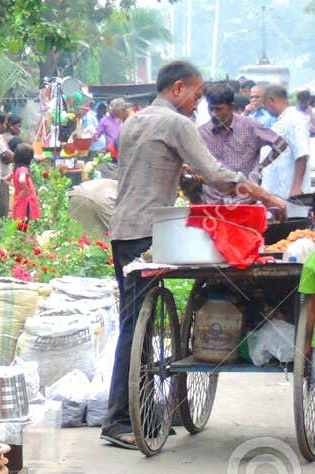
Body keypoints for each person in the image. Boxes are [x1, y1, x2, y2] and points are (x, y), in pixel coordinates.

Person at [100, 60, 285, 450]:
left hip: (124, 230)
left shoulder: (134, 121)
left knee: (136, 326)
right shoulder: (176, 123)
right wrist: (268, 197)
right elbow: (218, 174)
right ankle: (117, 421)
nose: (198, 106)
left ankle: (142, 412)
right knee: (135, 328)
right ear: (179, 88)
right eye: (197, 97)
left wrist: (187, 182)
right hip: (145, 234)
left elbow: (153, 173)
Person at [200, 82, 286, 205]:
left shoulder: (250, 126)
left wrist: (259, 168)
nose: (214, 114)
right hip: (213, 201)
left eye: (218, 109)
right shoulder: (202, 132)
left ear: (231, 107)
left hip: (243, 200)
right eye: (210, 109)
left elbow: (281, 144)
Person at [261, 84, 311, 200]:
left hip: (290, 191)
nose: (266, 110)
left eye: (265, 105)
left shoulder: (294, 119)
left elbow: (301, 153)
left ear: (271, 100)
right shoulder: (283, 119)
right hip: (278, 190)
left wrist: (297, 187)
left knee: (294, 218)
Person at [10, 142, 41, 221]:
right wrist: (25, 189)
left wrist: (16, 186)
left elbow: (5, 179)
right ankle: (24, 233)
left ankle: (21, 233)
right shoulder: (23, 168)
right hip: (26, 201)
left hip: (20, 199)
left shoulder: (16, 169)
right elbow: (22, 179)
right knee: (25, 220)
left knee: (20, 219)